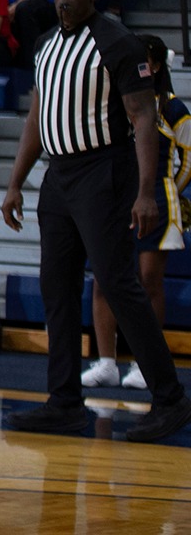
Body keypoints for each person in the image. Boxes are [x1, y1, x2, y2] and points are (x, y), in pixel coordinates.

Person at [0, 0, 191, 441]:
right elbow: (36, 117)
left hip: (104, 170)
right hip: (58, 175)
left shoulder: (117, 41)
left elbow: (143, 117)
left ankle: (170, 398)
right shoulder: (46, 45)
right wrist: (15, 181)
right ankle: (64, 400)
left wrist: (146, 192)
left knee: (118, 282)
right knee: (56, 285)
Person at [83, 35, 189, 391]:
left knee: (148, 280)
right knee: (103, 279)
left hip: (157, 197)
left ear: (155, 66)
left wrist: (169, 188)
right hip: (114, 200)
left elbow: (189, 160)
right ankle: (106, 362)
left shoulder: (173, 108)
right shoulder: (113, 101)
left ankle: (147, 364)